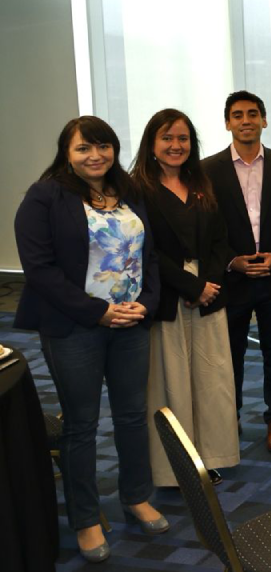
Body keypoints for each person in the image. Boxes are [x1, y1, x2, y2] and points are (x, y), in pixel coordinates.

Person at [14, 116, 167, 562]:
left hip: (132, 325)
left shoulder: (130, 193)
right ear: (67, 152)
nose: (95, 156)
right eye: (84, 149)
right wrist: (97, 312)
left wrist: (148, 303)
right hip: (75, 328)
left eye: (103, 147)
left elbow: (149, 256)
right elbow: (40, 270)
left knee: (132, 416)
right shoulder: (45, 197)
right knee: (81, 426)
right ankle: (85, 519)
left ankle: (135, 496)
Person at [131, 109, 240, 487]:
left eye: (183, 138)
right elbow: (146, 250)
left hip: (209, 293)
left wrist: (209, 282)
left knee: (211, 379)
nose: (176, 146)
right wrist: (190, 287)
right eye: (167, 138)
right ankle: (174, 469)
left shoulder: (201, 183)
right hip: (166, 294)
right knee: (171, 381)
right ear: (152, 144)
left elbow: (219, 238)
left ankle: (208, 458)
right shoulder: (137, 189)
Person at [203, 91, 271, 453]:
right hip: (231, 277)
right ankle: (231, 416)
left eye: (253, 114)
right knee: (230, 353)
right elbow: (207, 228)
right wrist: (232, 260)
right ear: (227, 122)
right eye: (238, 115)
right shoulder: (207, 170)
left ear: (264, 120)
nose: (246, 120)